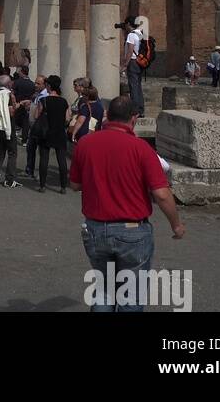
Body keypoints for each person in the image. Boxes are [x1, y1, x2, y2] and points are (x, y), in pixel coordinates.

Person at [69, 95, 186, 312]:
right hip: (132, 230)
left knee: (103, 289)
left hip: (95, 228)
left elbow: (75, 184)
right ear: (134, 118)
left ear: (107, 116)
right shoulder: (141, 149)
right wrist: (176, 225)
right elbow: (161, 194)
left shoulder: (85, 143)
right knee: (130, 295)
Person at [34, 75, 71, 194]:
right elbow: (67, 118)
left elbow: (36, 116)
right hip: (59, 131)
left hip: (46, 132)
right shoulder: (64, 101)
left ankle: (42, 185)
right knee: (62, 160)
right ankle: (63, 186)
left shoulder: (43, 100)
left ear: (49, 86)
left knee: (44, 158)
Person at [0, 74, 21, 188]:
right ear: (9, 84)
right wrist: (18, 104)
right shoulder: (9, 95)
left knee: (0, 152)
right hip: (8, 127)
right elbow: (11, 112)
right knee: (12, 153)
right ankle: (9, 179)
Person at [120, 16, 144, 117]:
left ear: (129, 24)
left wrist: (125, 64)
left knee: (133, 86)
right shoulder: (140, 34)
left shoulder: (131, 35)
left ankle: (135, 110)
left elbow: (130, 50)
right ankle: (141, 110)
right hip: (140, 62)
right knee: (138, 86)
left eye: (125, 24)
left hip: (133, 62)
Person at [11, 65, 36, 143]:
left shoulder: (17, 82)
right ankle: (24, 139)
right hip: (28, 105)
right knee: (26, 122)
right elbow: (33, 95)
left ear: (22, 72)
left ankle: (13, 136)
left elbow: (12, 93)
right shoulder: (32, 84)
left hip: (18, 104)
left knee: (14, 120)